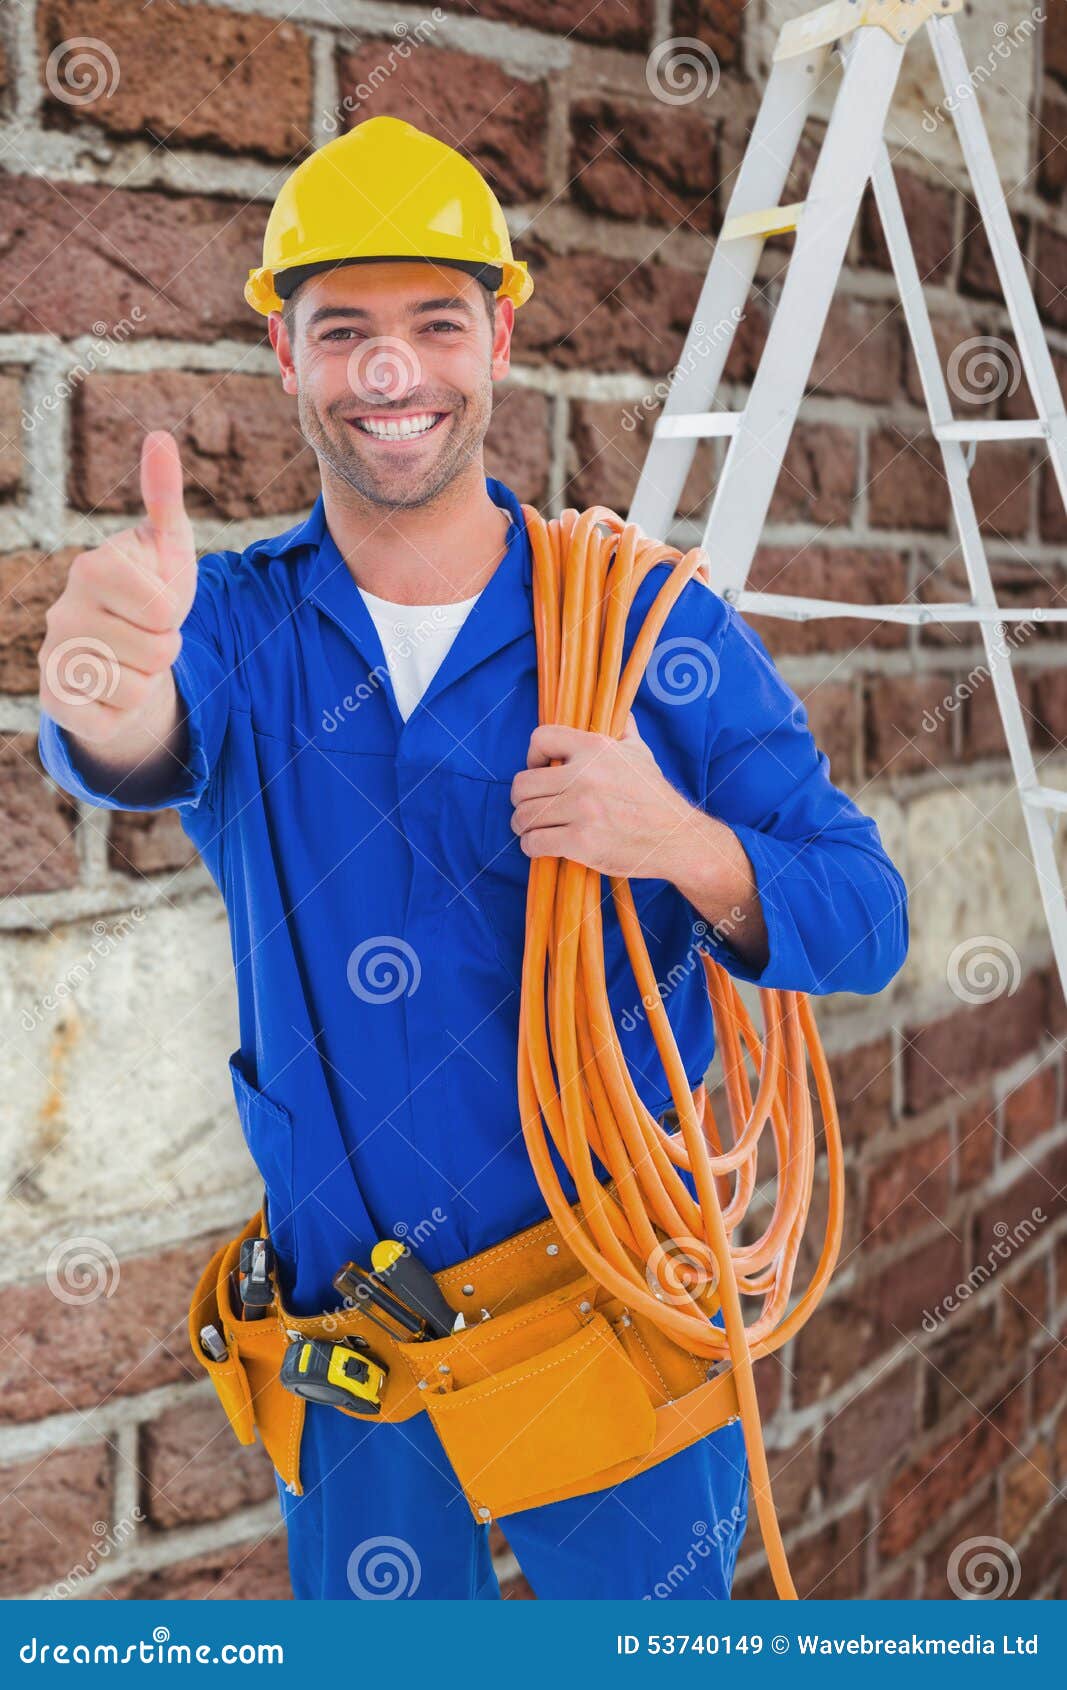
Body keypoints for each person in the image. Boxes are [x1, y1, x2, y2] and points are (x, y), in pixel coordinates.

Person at [36, 116, 908, 1601]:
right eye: (343, 331)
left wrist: (686, 844)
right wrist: (97, 701)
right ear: (286, 353)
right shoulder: (237, 627)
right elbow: (141, 739)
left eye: (436, 324)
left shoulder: (650, 627)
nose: (392, 373)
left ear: (499, 336)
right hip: (351, 1341)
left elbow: (869, 915)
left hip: (608, 1321)